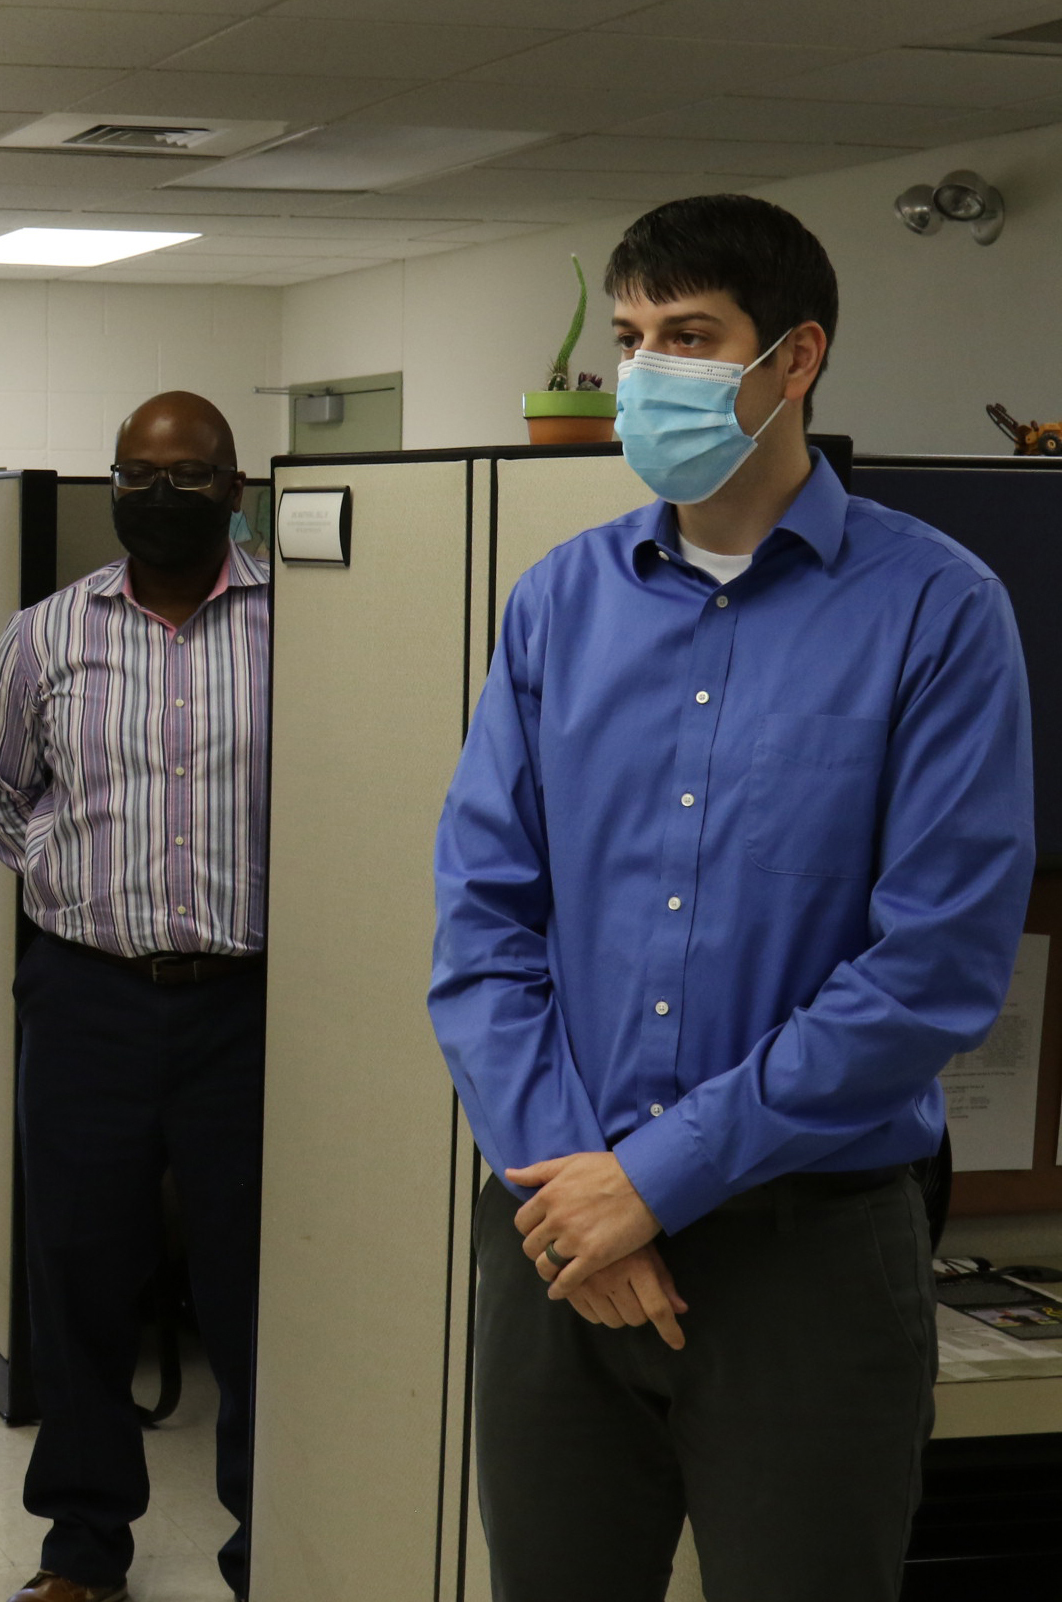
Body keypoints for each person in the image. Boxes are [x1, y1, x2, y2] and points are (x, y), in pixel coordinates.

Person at [430, 193, 1034, 1601]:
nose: (647, 374)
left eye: (690, 337)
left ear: (796, 360)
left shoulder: (936, 611)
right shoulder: (557, 604)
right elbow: (482, 920)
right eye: (632, 340)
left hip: (806, 1249)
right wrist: (583, 1188)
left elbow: (932, 965)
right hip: (553, 1227)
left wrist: (658, 1178)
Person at [0, 392, 271, 1602]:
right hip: (87, 998)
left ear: (237, 488)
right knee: (81, 1274)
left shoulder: (300, 622)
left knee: (255, 1286)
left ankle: (269, 1547)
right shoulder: (46, 635)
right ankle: (83, 1547)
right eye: (138, 476)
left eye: (190, 476)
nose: (161, 496)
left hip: (251, 1008)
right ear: (110, 487)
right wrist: (71, 882)